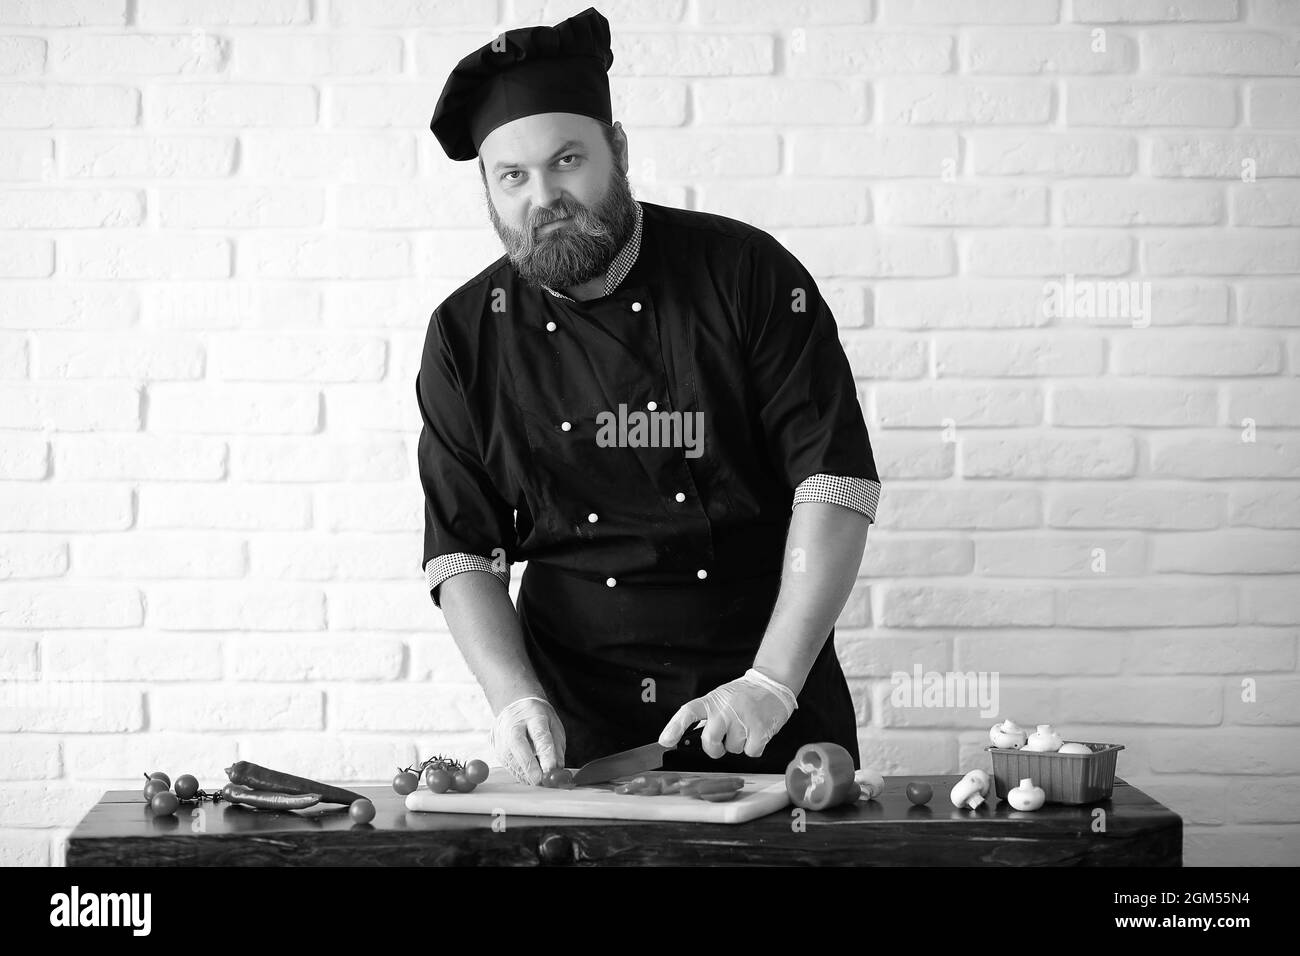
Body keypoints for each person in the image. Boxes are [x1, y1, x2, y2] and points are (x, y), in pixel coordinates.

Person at [418, 6, 880, 785]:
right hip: (578, 726)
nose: (544, 197)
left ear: (618, 149)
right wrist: (512, 700)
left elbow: (833, 482)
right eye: (514, 177)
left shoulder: (747, 275)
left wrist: (770, 683)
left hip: (767, 703)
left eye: (567, 160)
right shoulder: (466, 334)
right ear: (490, 190)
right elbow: (462, 548)